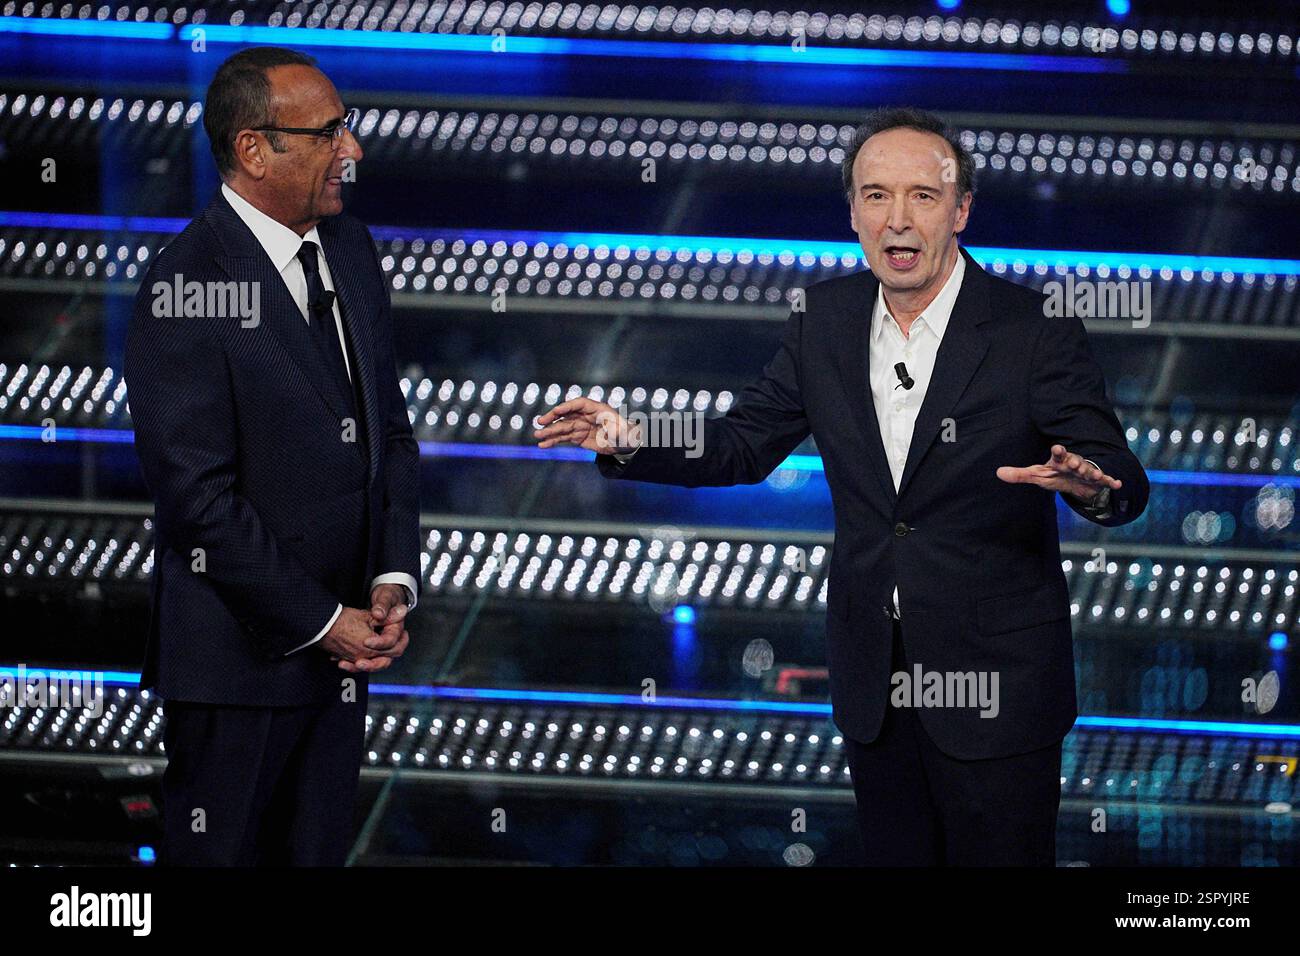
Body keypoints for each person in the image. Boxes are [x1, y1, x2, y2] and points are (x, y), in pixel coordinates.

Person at [533, 106, 1149, 866]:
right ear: (853, 212)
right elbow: (740, 444)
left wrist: (1090, 488)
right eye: (876, 195)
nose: (898, 217)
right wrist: (634, 437)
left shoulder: (1031, 328)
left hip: (999, 687)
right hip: (875, 685)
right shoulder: (823, 319)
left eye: (923, 196)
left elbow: (1116, 475)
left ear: (961, 212)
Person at [123, 47, 420, 865]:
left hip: (343, 663)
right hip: (237, 673)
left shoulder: (352, 249)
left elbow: (388, 433)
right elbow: (198, 501)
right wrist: (324, 624)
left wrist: (392, 577)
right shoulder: (185, 281)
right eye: (328, 133)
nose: (351, 151)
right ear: (255, 149)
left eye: (346, 128)